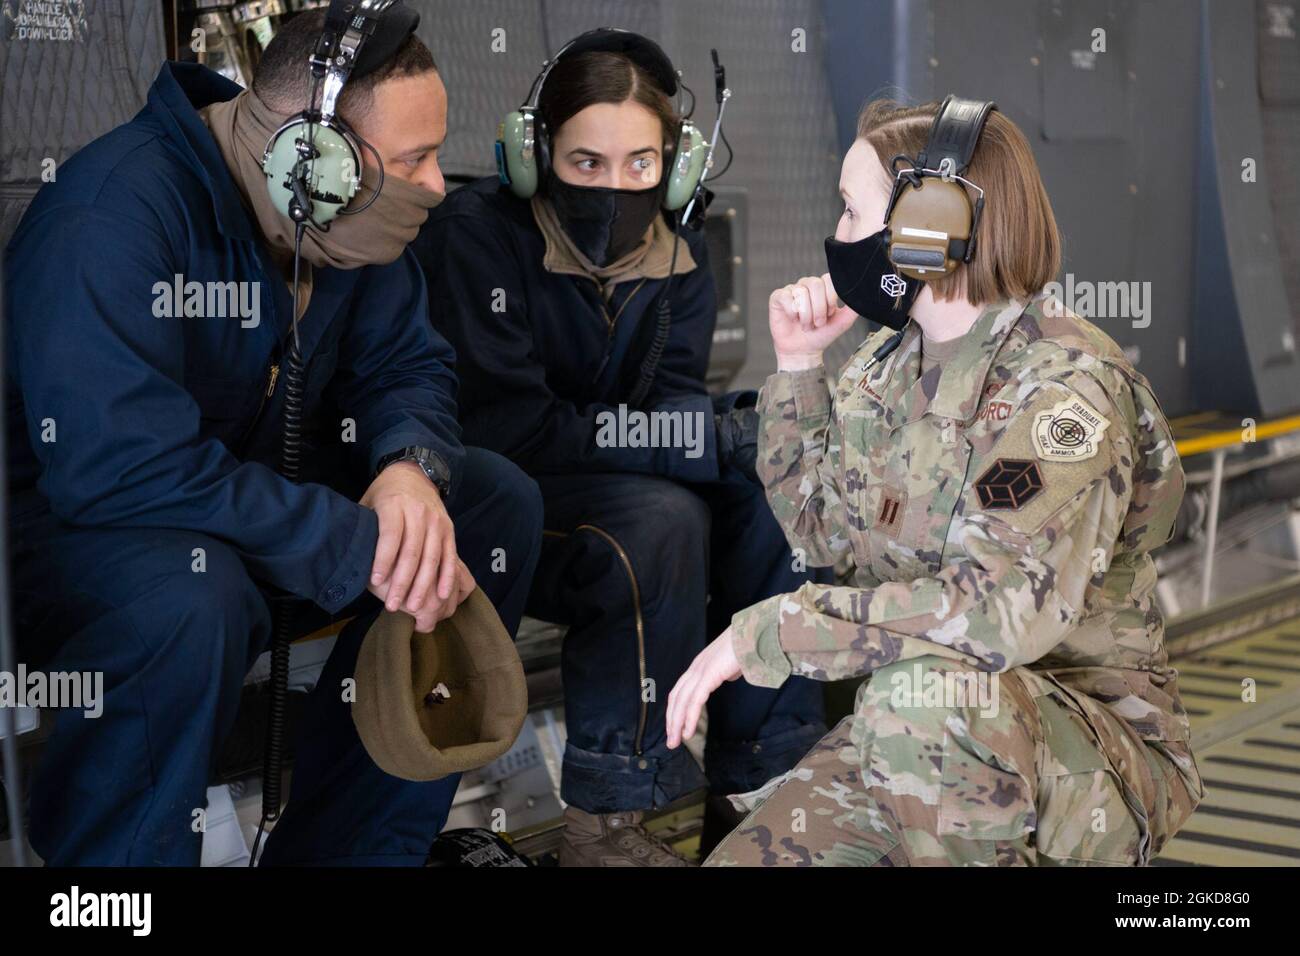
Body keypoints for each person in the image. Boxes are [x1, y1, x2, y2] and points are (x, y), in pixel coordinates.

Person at [4, 8, 542, 866]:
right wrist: (346, 541)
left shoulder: (346, 216)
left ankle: (348, 858)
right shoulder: (109, 218)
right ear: (312, 159)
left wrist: (410, 470)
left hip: (244, 504)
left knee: (486, 504)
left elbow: (408, 367)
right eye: (414, 160)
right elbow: (117, 468)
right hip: (71, 530)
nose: (438, 185)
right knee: (193, 597)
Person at [665, 96, 1204, 866]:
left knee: (918, 699)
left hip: (1088, 756)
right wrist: (795, 370)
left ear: (927, 228)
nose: (838, 238)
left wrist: (779, 633)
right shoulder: (884, 370)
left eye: (852, 213)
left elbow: (995, 616)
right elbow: (822, 535)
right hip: (924, 742)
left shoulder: (1065, 391)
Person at [413, 29, 827, 866]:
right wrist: (695, 439)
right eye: (586, 163)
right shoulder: (476, 239)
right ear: (534, 156)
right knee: (661, 517)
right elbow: (515, 431)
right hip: (499, 501)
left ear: (677, 166)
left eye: (641, 164)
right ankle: (604, 826)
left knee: (774, 492)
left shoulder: (680, 250)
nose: (616, 187)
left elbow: (670, 402)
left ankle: (762, 789)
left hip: (611, 482)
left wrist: (727, 441)